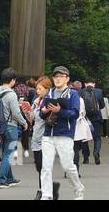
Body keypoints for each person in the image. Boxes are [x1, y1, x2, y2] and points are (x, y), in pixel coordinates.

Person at [38, 65, 85, 200]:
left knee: (67, 166)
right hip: (48, 134)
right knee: (46, 166)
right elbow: (41, 114)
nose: (58, 79)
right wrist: (44, 111)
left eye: (61, 76)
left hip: (65, 134)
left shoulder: (73, 94)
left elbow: (75, 113)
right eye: (55, 76)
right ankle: (46, 195)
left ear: (67, 79)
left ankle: (78, 188)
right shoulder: (49, 93)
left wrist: (60, 111)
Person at [0, 68, 27, 187]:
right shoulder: (11, 94)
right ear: (13, 80)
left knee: (5, 153)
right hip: (11, 126)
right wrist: (24, 123)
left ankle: (9, 178)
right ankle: (1, 179)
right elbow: (16, 113)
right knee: (9, 153)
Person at [30, 76, 56, 200]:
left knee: (43, 166)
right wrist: (28, 113)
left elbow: (49, 118)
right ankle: (46, 188)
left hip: (46, 137)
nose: (37, 91)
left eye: (40, 88)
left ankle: (43, 190)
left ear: (47, 88)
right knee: (38, 166)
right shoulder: (36, 101)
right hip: (36, 137)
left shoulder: (51, 101)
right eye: (37, 88)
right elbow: (33, 119)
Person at [80, 79, 105, 164]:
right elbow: (102, 106)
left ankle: (86, 158)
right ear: (94, 84)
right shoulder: (99, 92)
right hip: (96, 118)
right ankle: (96, 153)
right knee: (97, 138)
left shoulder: (81, 92)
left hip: (84, 119)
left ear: (85, 84)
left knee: (84, 139)